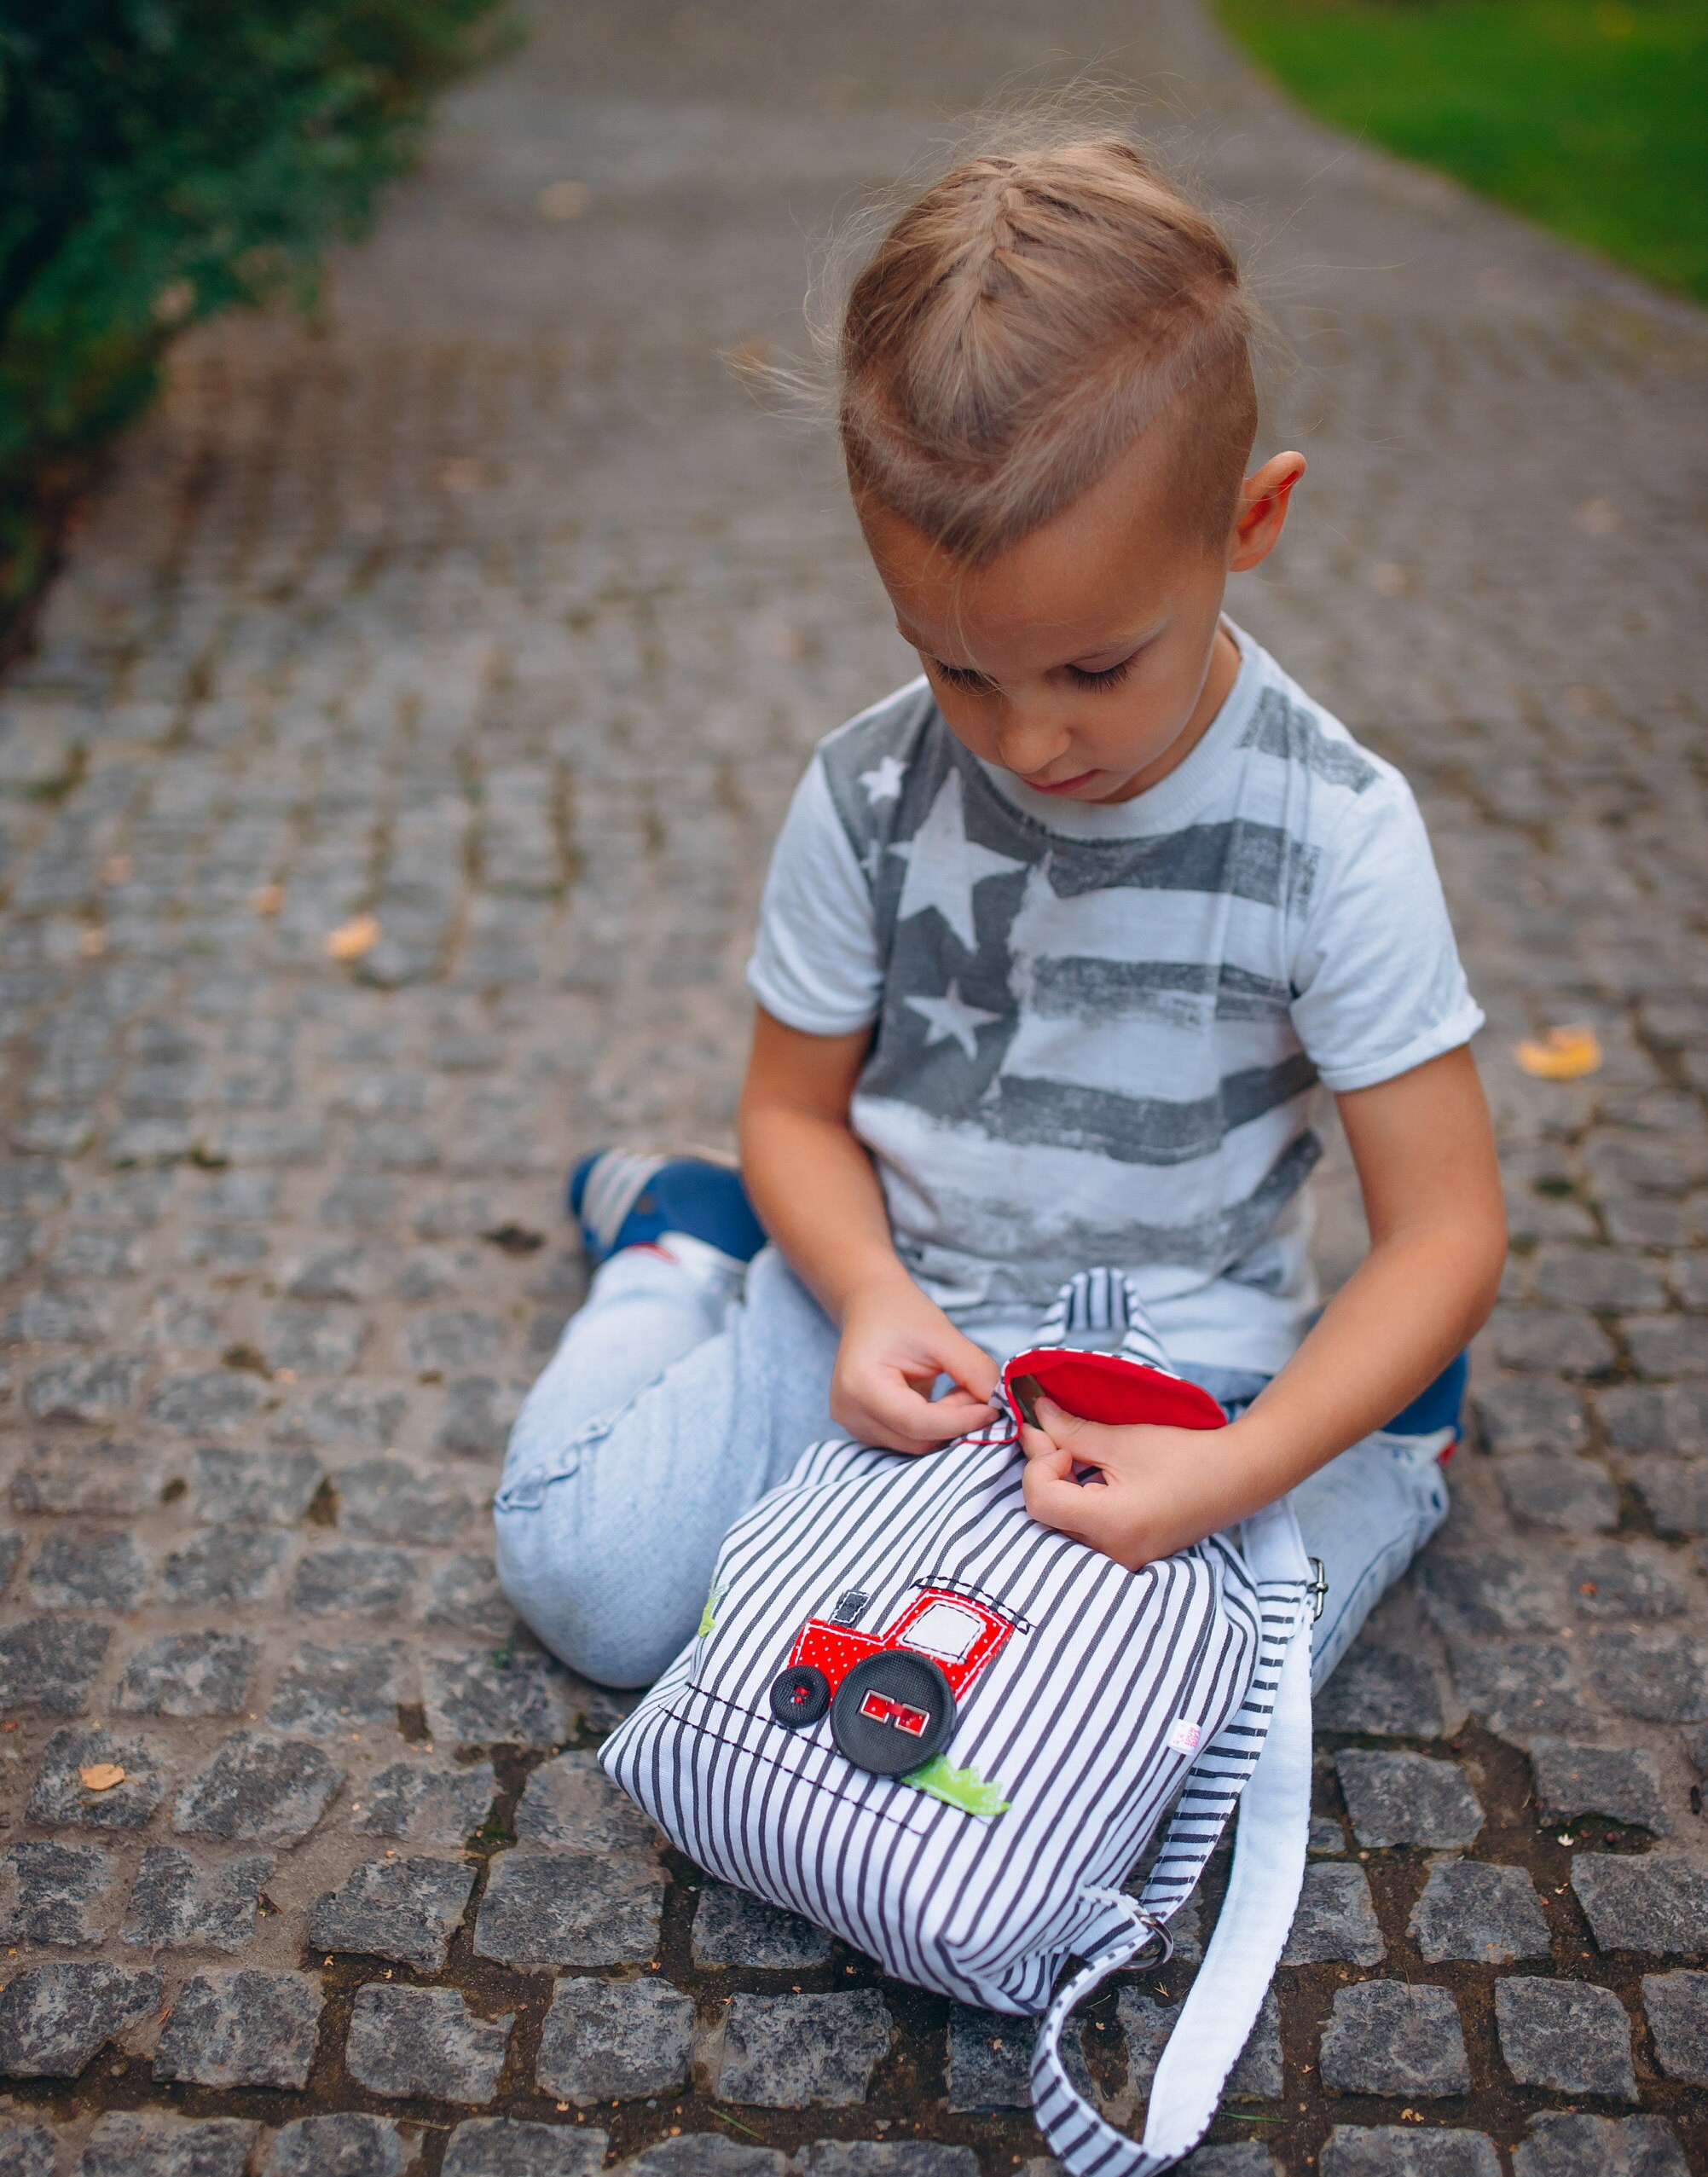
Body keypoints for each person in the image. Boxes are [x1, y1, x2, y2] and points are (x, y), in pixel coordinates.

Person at [495, 136, 1507, 1695]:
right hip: (894, 1288)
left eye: (1095, 667)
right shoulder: (868, 790)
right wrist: (868, 1292)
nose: (1028, 743)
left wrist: (1233, 1473)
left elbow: (1442, 1231)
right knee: (599, 1585)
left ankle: (1393, 1416)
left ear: (1250, 523)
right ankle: (683, 1244)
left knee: (1138, 1701)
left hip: (1189, 1350)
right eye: (960, 666)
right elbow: (790, 1106)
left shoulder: (1333, 834)